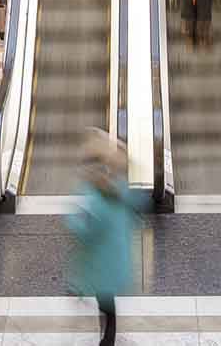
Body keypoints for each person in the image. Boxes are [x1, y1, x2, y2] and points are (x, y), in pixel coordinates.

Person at [66, 130, 142, 346]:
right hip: (114, 262)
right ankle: (107, 336)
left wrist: (73, 220)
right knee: (107, 305)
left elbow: (83, 230)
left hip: (99, 264)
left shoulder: (94, 196)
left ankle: (107, 340)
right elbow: (134, 219)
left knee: (106, 305)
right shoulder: (121, 191)